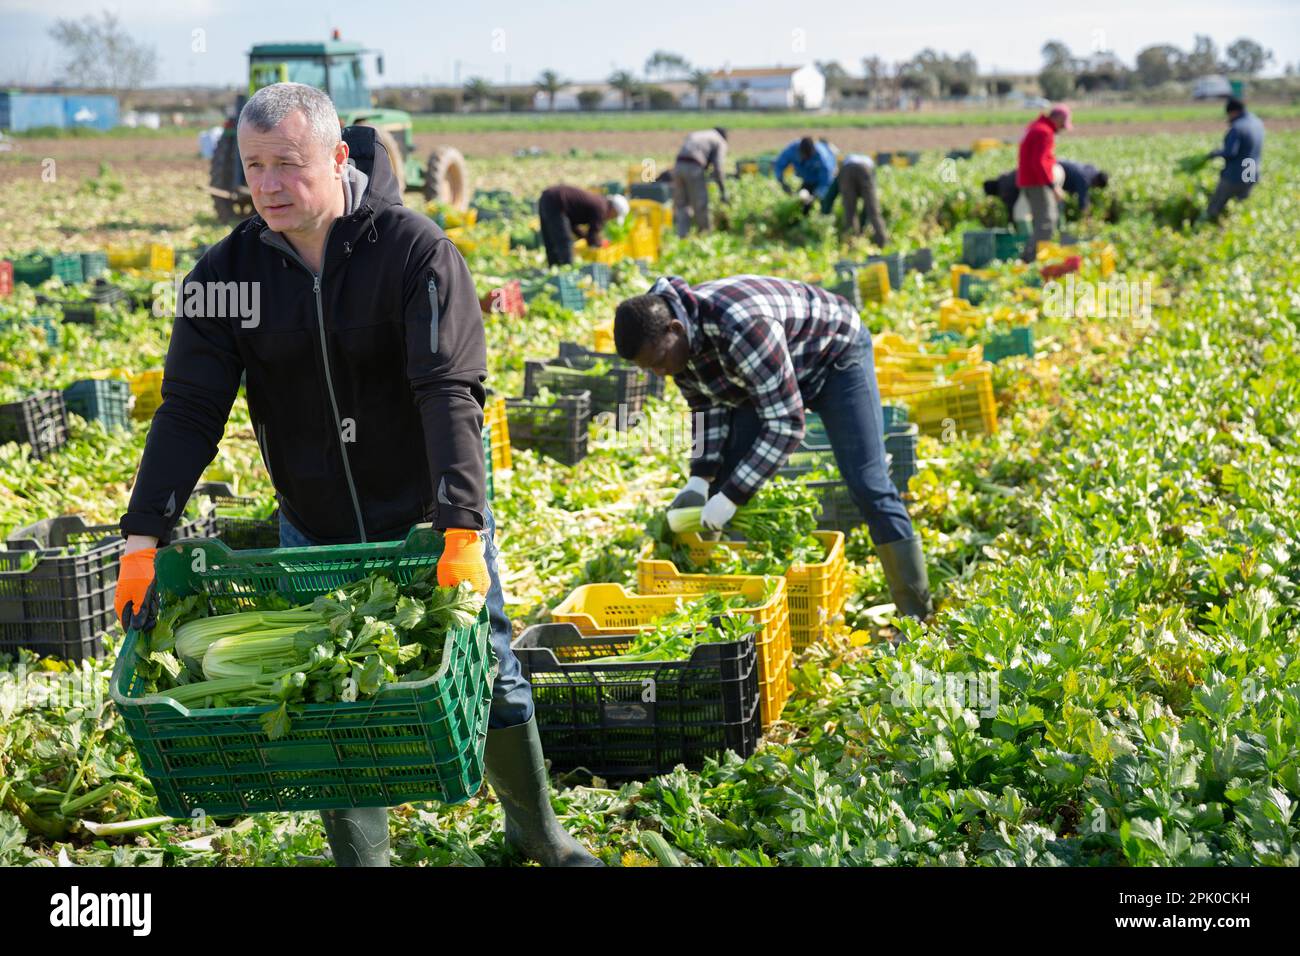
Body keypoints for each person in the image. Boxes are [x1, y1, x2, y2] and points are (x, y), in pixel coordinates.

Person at [111, 82, 600, 869]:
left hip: (426, 509)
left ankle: (537, 831)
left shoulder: (413, 253)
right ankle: (362, 862)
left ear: (339, 159)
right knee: (326, 700)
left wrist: (462, 527)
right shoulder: (223, 277)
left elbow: (448, 392)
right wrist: (142, 536)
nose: (268, 184)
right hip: (316, 522)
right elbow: (189, 411)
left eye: (289, 165)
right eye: (254, 165)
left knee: (492, 665)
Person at [612, 275, 932, 622]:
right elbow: (705, 405)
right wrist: (699, 481)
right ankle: (734, 613)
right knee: (723, 479)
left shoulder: (742, 326)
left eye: (659, 361)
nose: (659, 373)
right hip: (769, 371)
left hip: (834, 356)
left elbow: (787, 423)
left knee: (869, 484)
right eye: (649, 369)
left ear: (675, 328)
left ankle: (917, 615)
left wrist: (732, 496)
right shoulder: (674, 343)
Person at [1016, 103, 1071, 260]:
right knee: (1046, 222)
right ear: (1058, 118)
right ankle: (1030, 261)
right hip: (1036, 182)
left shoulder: (1036, 127)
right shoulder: (1044, 132)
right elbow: (1039, 162)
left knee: (1043, 221)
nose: (1062, 128)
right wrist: (1052, 186)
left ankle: (1031, 258)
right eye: (1063, 123)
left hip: (1029, 180)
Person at [537, 184, 629, 266]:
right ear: (613, 210)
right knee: (564, 241)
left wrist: (583, 236)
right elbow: (592, 238)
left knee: (551, 240)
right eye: (615, 216)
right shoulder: (601, 209)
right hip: (556, 201)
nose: (611, 219)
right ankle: (567, 271)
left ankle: (555, 269)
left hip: (547, 197)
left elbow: (570, 224)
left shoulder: (600, 203)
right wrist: (600, 244)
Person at [1204, 97, 1265, 222]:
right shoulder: (1257, 122)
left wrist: (1214, 154)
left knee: (1215, 207)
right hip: (1251, 173)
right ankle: (1234, 226)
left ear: (1233, 112)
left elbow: (1230, 153)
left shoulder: (1237, 127)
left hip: (1235, 175)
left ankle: (1210, 228)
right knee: (1240, 208)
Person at [672, 127, 729, 237]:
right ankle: (705, 236)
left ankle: (682, 237)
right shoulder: (719, 141)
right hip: (694, 166)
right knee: (700, 203)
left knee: (682, 204)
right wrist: (723, 191)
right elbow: (718, 167)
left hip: (678, 165)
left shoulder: (698, 134)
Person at [773, 136, 838, 214]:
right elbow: (779, 164)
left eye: (808, 156)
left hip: (820, 181)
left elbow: (826, 179)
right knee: (802, 204)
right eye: (804, 155)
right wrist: (781, 181)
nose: (805, 158)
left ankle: (824, 218)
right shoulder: (792, 150)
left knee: (824, 203)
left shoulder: (821, 156)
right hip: (807, 180)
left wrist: (816, 195)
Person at [836, 152, 889, 245]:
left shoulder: (847, 161)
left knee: (849, 211)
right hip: (865, 170)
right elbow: (870, 199)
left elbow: (832, 191)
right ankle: (883, 242)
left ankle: (852, 243)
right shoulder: (869, 162)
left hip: (847, 170)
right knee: (873, 210)